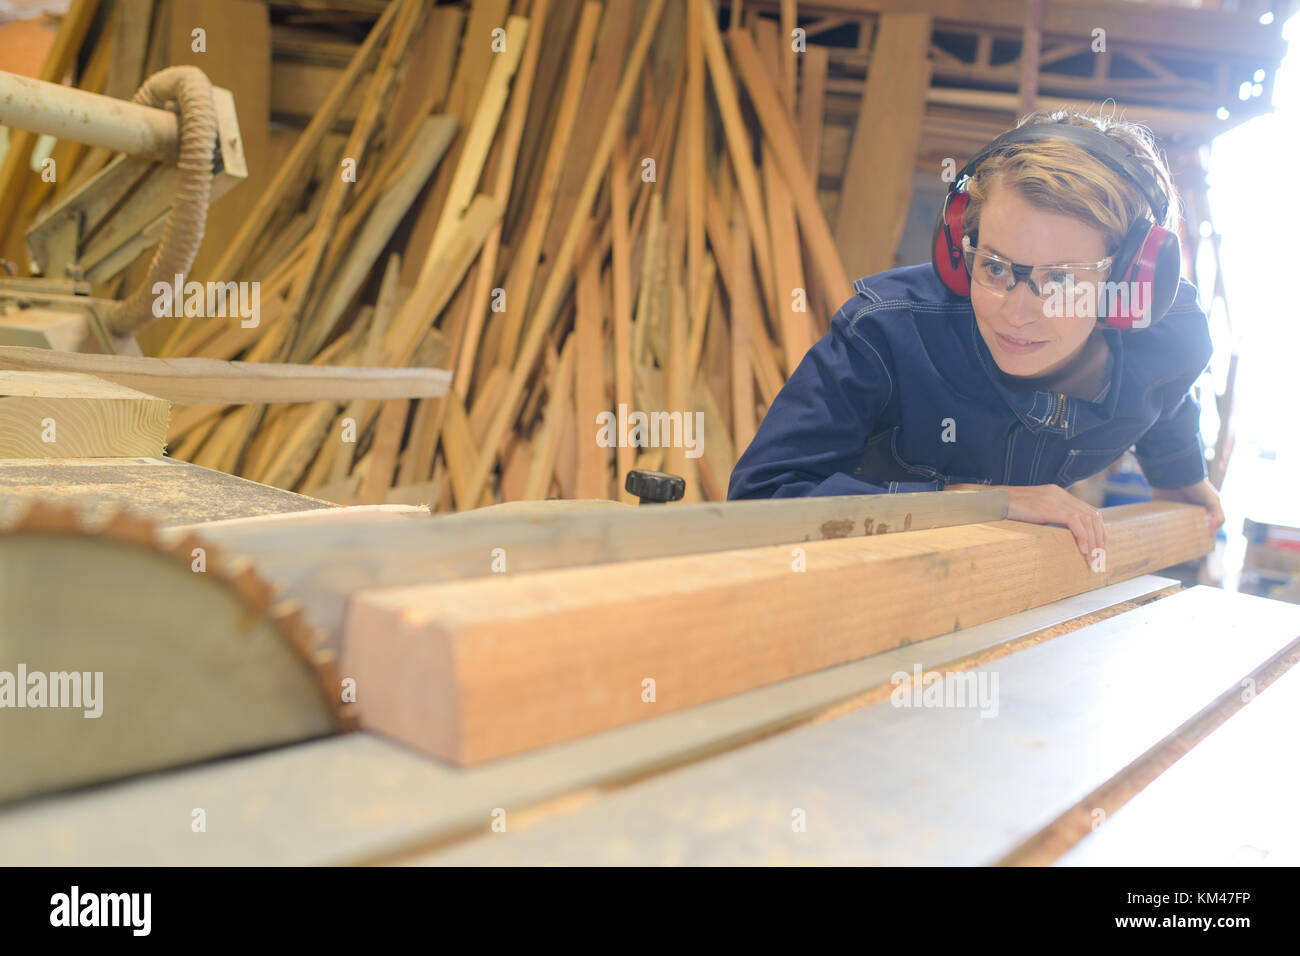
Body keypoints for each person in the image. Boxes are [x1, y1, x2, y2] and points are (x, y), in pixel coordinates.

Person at [727, 109, 1226, 562]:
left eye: (1062, 280)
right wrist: (972, 503)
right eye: (994, 266)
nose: (1016, 312)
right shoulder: (885, 333)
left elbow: (1166, 394)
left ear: (1128, 285)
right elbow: (761, 500)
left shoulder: (1170, 338)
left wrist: (1179, 473)